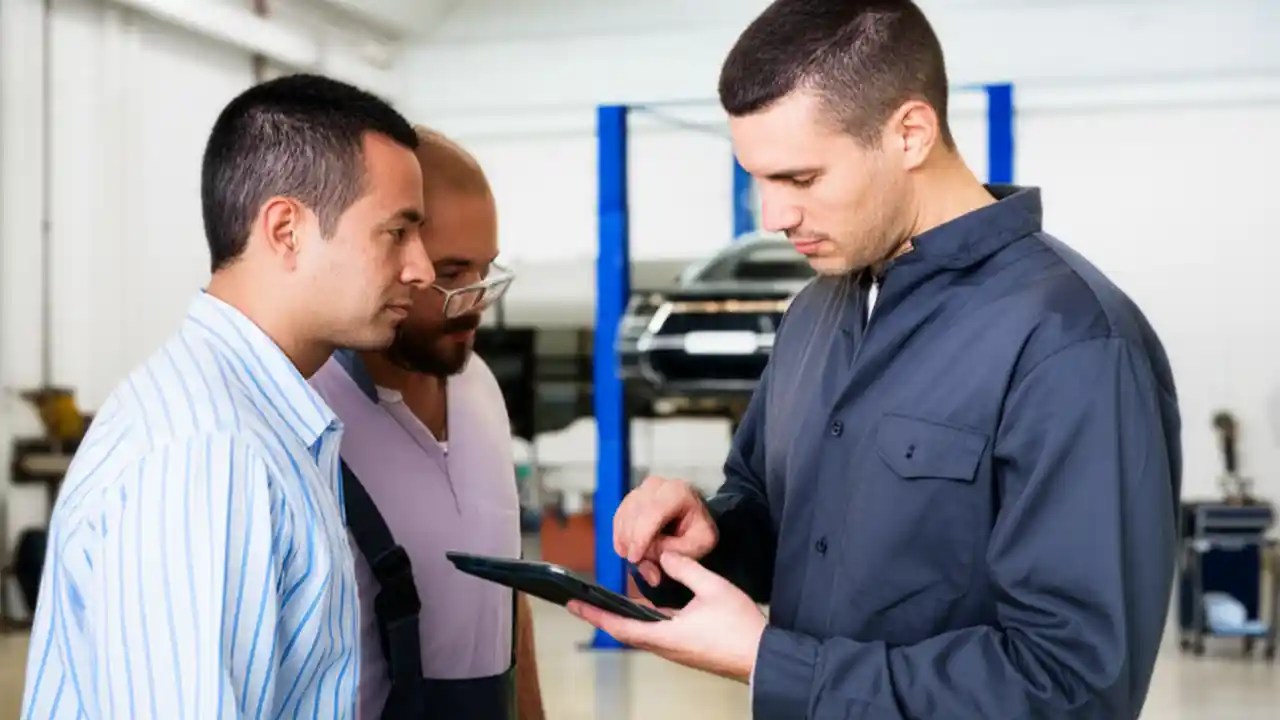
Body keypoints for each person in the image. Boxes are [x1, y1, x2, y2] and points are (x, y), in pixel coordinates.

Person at [569, 1, 1182, 718]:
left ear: (910, 133)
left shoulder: (1071, 341)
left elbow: (1073, 686)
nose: (774, 217)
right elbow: (777, 510)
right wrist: (710, 536)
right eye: (758, 179)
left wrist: (772, 662)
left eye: (800, 180)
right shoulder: (814, 312)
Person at [21, 74, 432, 718]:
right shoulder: (211, 451)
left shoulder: (255, 422)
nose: (422, 268)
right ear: (287, 229)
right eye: (397, 232)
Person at [308, 126, 545, 720]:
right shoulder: (312, 413)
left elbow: (507, 598)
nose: (475, 301)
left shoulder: (479, 385)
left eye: (486, 270)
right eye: (452, 272)